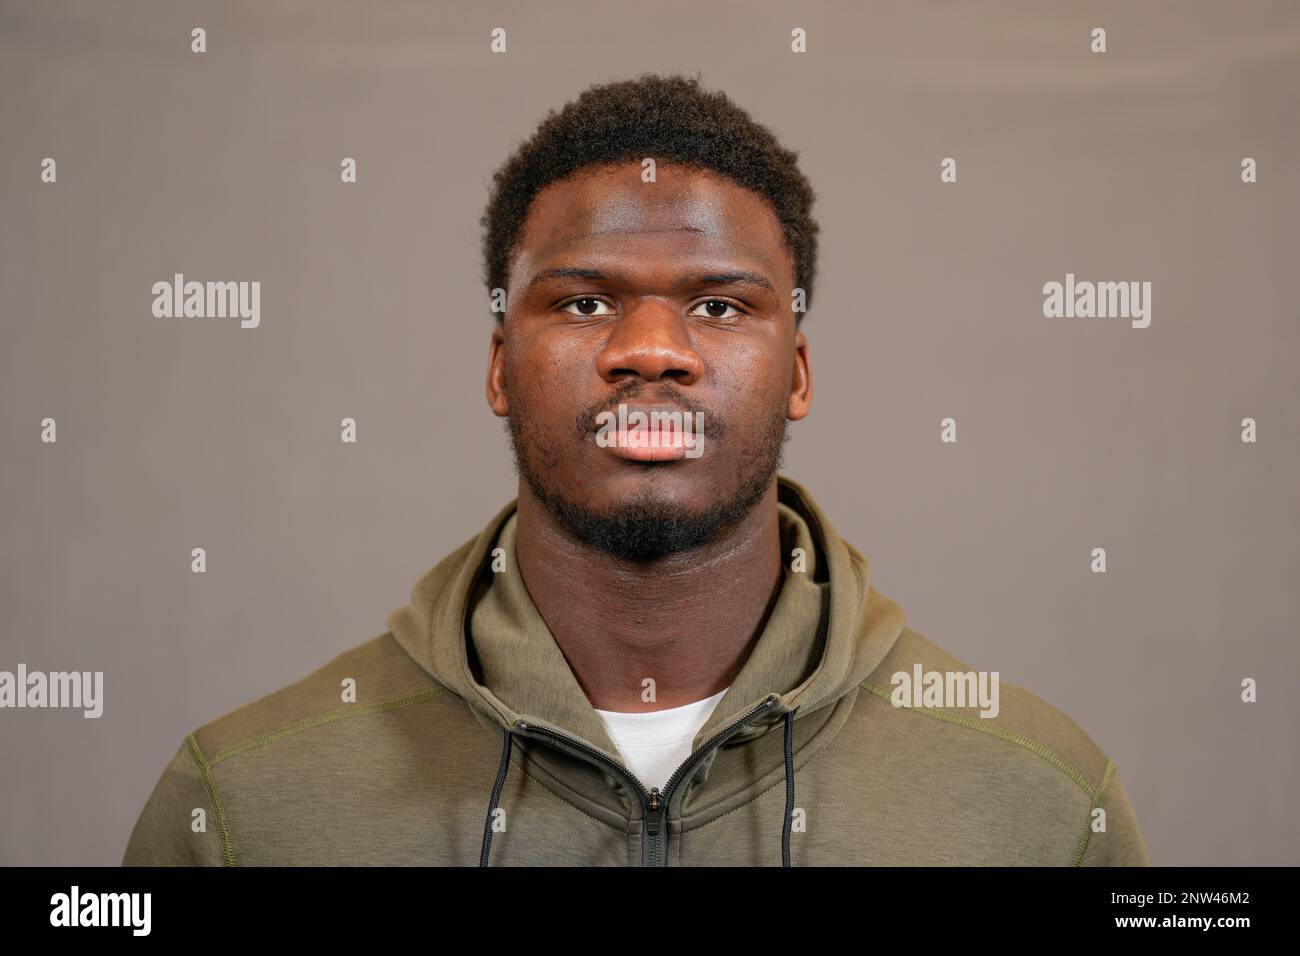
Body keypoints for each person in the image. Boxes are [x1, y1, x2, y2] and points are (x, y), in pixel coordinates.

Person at [122, 73, 1149, 867]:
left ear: (795, 370)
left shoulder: (1039, 798)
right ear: (497, 364)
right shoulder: (247, 800)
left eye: (719, 305)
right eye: (580, 302)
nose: (650, 347)